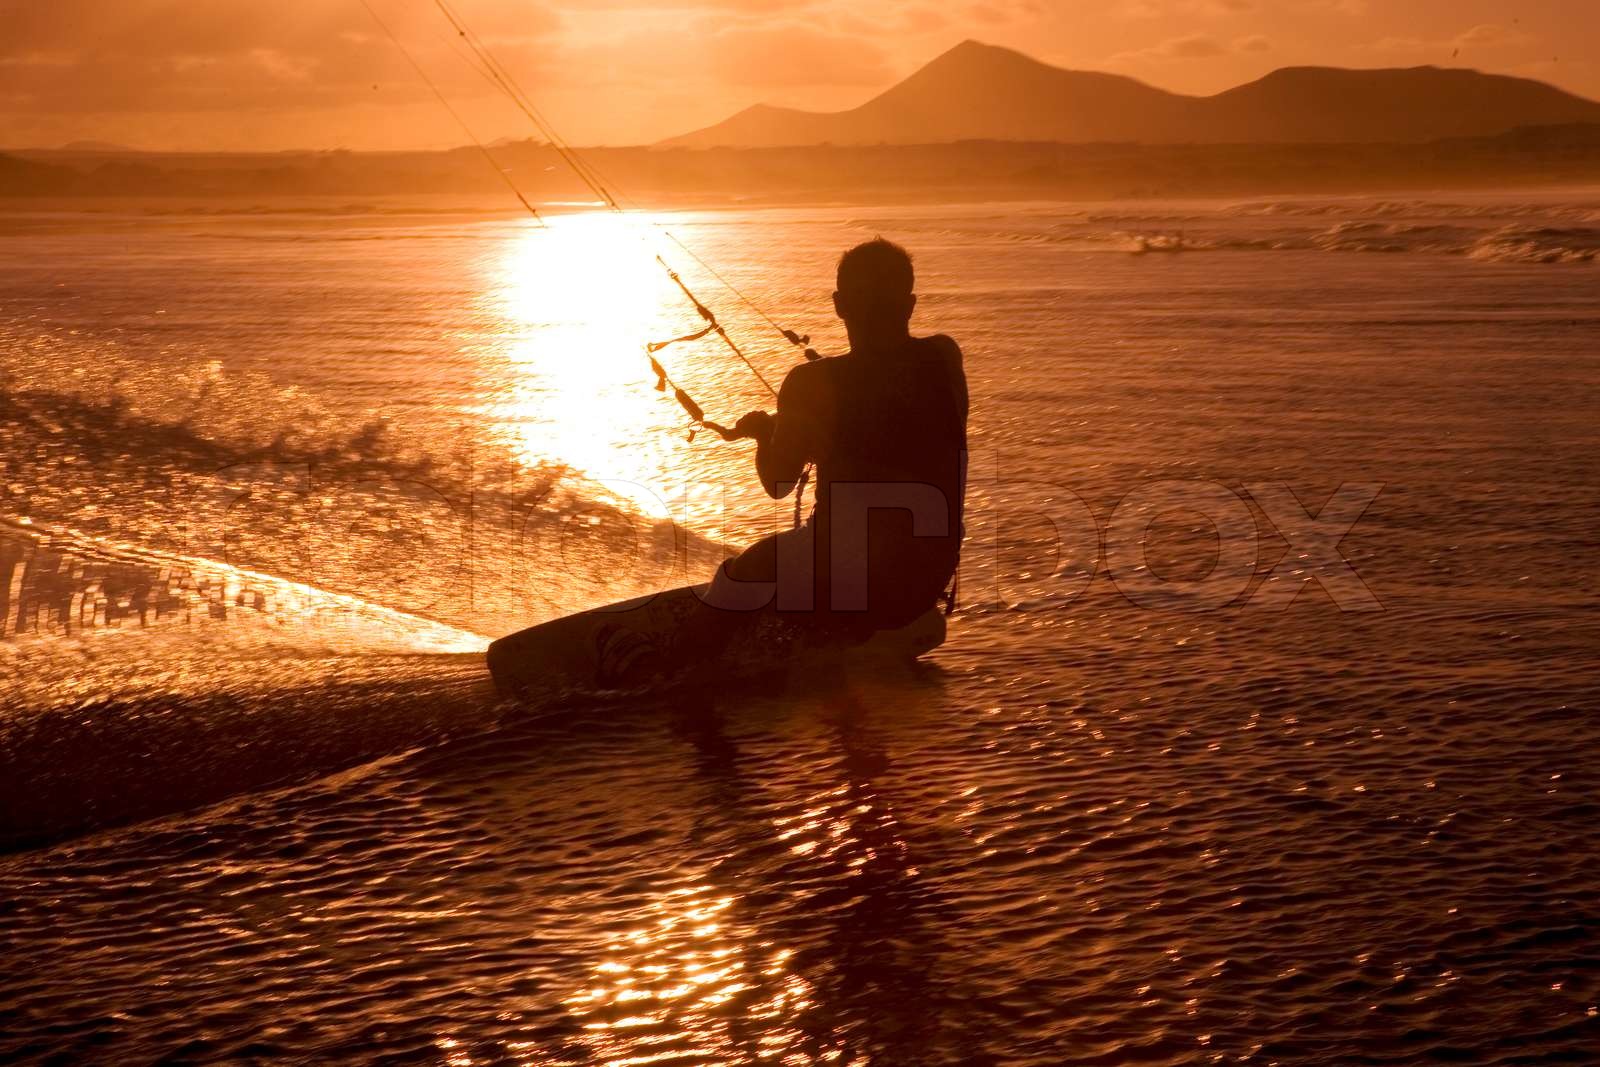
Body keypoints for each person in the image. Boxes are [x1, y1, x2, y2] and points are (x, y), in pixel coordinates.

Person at [704, 238, 968, 635]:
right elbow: (892, 419)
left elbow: (778, 484)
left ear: (839, 305)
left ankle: (696, 661)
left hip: (849, 586)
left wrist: (763, 433)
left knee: (750, 565)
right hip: (925, 579)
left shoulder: (809, 382)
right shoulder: (945, 358)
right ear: (909, 305)